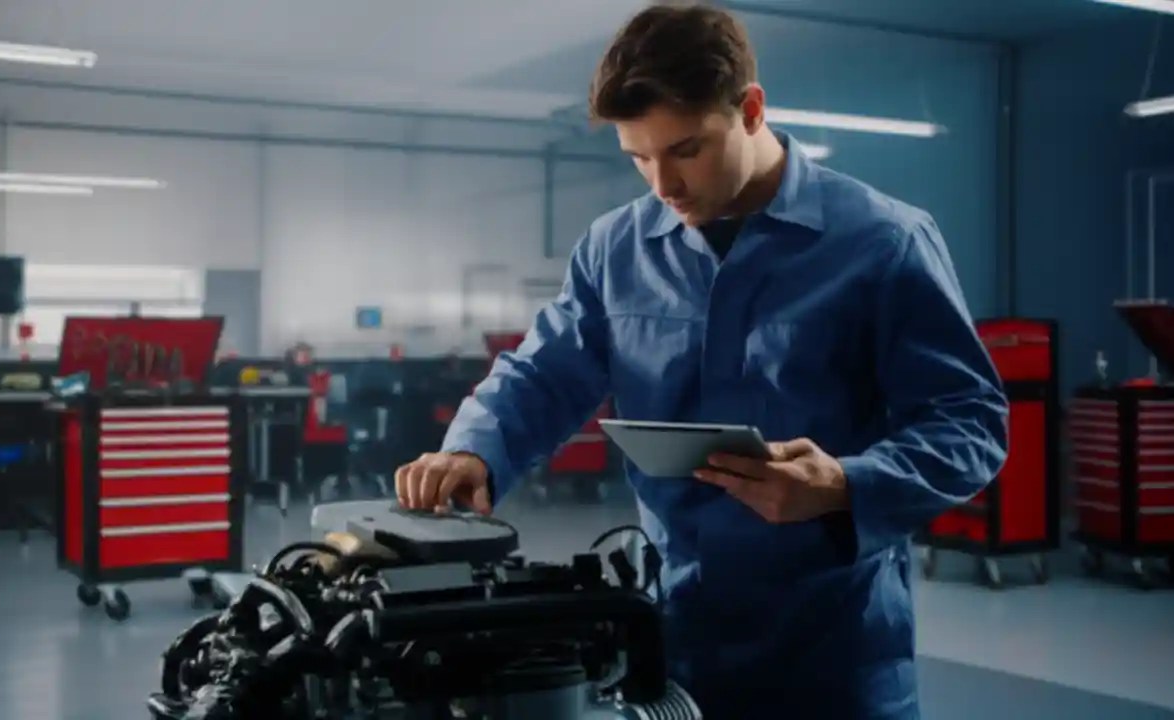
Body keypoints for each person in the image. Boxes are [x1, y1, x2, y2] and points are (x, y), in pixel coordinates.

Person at [395, 4, 1008, 718]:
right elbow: (545, 372)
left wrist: (844, 484)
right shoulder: (613, 248)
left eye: (686, 149)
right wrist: (475, 450)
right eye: (638, 158)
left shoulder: (885, 242)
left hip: (834, 654)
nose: (663, 185)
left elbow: (970, 423)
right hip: (669, 641)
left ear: (750, 109)